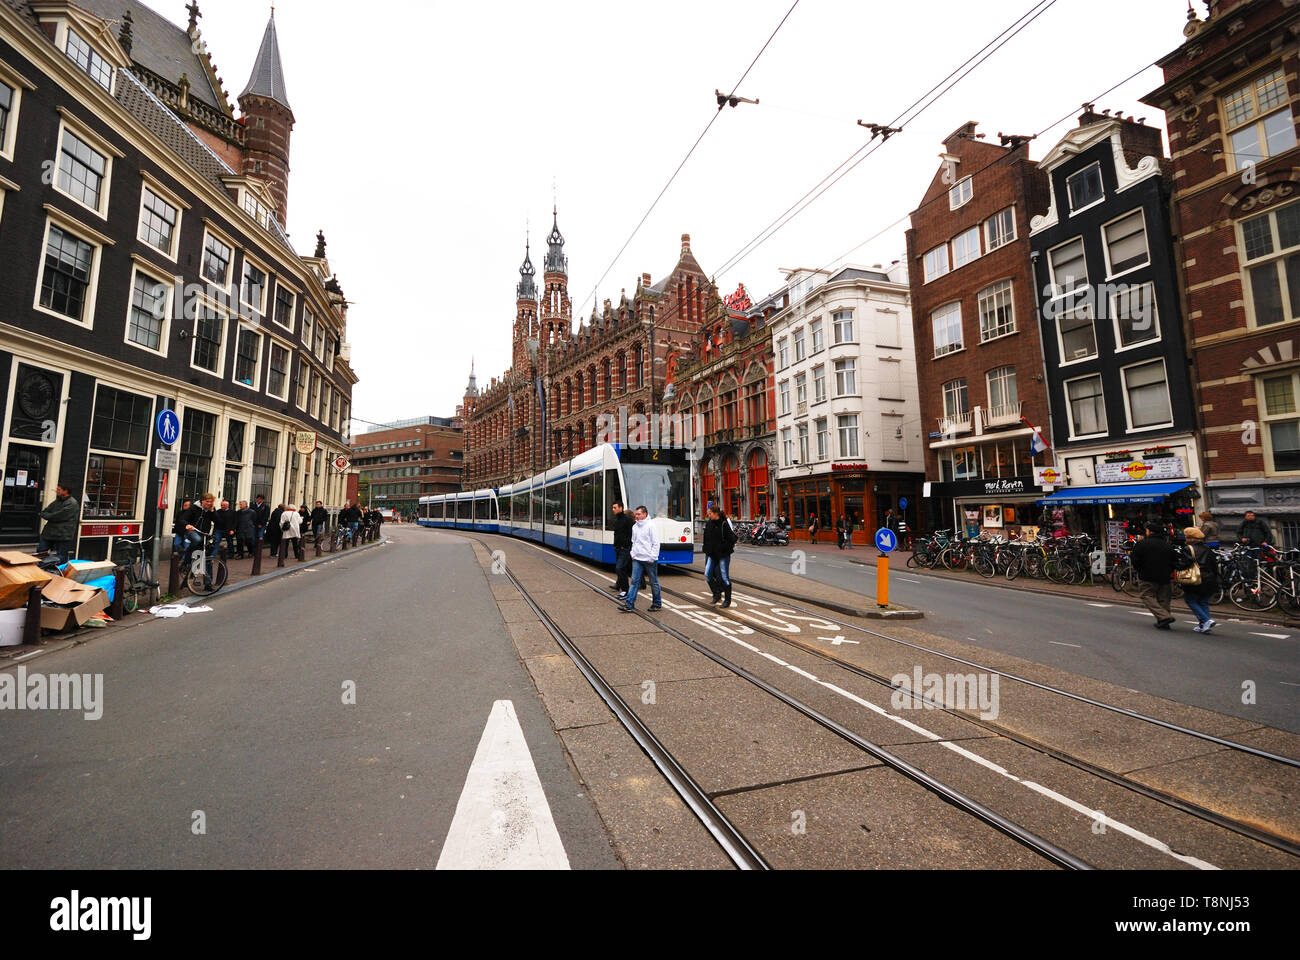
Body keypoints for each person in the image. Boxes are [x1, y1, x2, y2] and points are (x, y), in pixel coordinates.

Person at [1130, 521, 1186, 630]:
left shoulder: (1142, 544)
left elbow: (1135, 560)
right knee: (1164, 598)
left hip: (1147, 575)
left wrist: (1140, 570)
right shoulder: (1167, 545)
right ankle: (1163, 621)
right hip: (1165, 575)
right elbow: (1175, 560)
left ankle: (1164, 617)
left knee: (1147, 595)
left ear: (1150, 532)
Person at [620, 506, 662, 613]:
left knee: (653, 582)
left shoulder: (651, 526)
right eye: (636, 514)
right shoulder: (635, 527)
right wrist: (633, 554)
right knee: (634, 582)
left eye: (638, 514)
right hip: (637, 558)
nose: (636, 516)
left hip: (649, 559)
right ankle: (629, 604)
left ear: (645, 514)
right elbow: (634, 542)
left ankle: (657, 603)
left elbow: (656, 543)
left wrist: (652, 557)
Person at [1180, 527, 1219, 634]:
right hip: (1209, 578)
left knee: (1190, 600)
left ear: (1190, 537)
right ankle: (1203, 625)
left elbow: (1185, 564)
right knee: (1203, 601)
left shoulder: (1188, 549)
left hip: (1196, 578)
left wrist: (1176, 565)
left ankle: (1206, 620)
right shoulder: (1208, 549)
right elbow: (1214, 565)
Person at [703, 506, 737, 607]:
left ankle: (727, 600)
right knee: (708, 574)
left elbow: (732, 539)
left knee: (724, 577)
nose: (708, 515)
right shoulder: (709, 523)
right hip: (712, 554)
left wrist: (723, 548)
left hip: (723, 555)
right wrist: (706, 549)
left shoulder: (724, 524)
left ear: (716, 513)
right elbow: (706, 538)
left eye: (710, 513)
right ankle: (716, 594)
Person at [38, 482, 79, 565]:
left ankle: (59, 573)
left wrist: (49, 516)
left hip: (63, 534)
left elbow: (58, 516)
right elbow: (44, 512)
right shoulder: (57, 502)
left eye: (59, 489)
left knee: (61, 557)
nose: (56, 491)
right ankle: (43, 568)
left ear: (65, 491)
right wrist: (49, 515)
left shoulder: (72, 503)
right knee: (41, 552)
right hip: (50, 532)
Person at [610, 501, 634, 598]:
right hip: (618, 548)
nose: (613, 509)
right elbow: (617, 534)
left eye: (615, 508)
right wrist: (615, 545)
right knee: (621, 569)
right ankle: (624, 589)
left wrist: (627, 546)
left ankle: (625, 590)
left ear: (621, 508)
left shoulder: (627, 520)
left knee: (620, 568)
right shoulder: (616, 520)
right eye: (613, 507)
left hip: (625, 549)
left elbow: (631, 534)